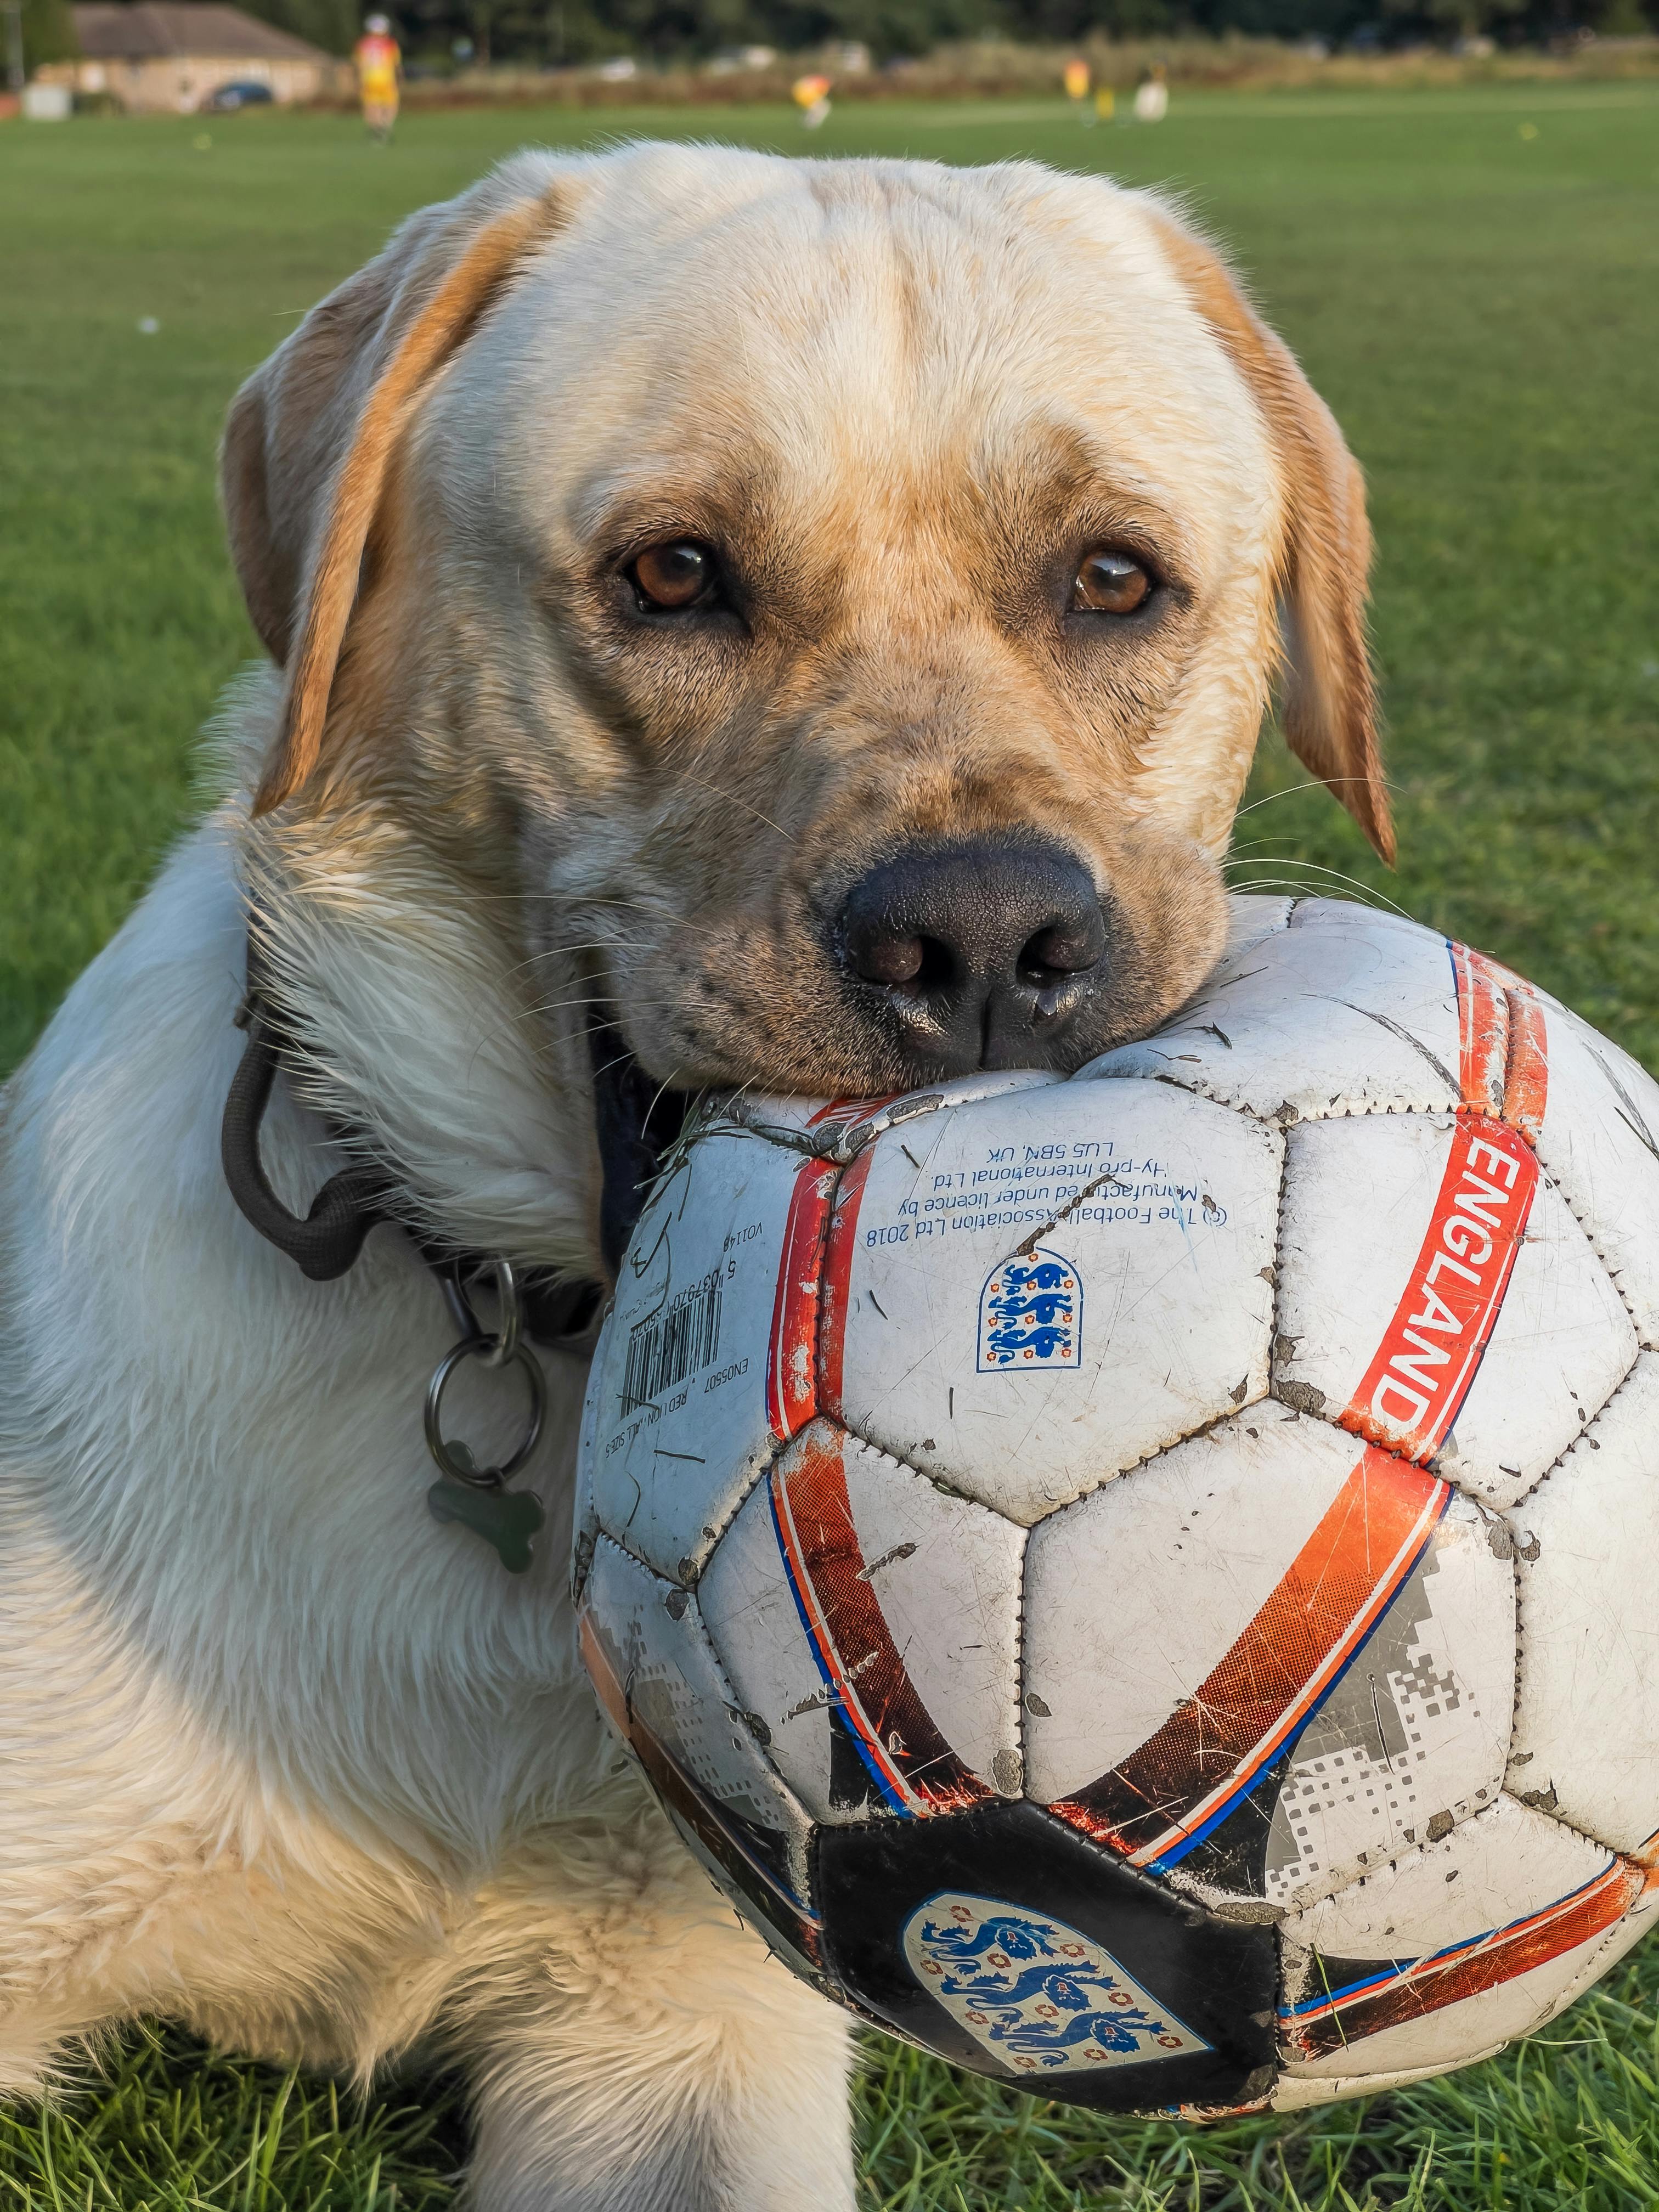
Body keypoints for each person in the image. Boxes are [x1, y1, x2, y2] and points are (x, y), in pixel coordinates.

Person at [354, 13, 401, 142]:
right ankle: (385, 126)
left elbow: (360, 65)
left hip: (368, 79)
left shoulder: (363, 44)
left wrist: (359, 81)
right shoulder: (390, 44)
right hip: (386, 79)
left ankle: (376, 130)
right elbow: (397, 64)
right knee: (391, 105)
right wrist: (400, 79)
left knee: (371, 106)